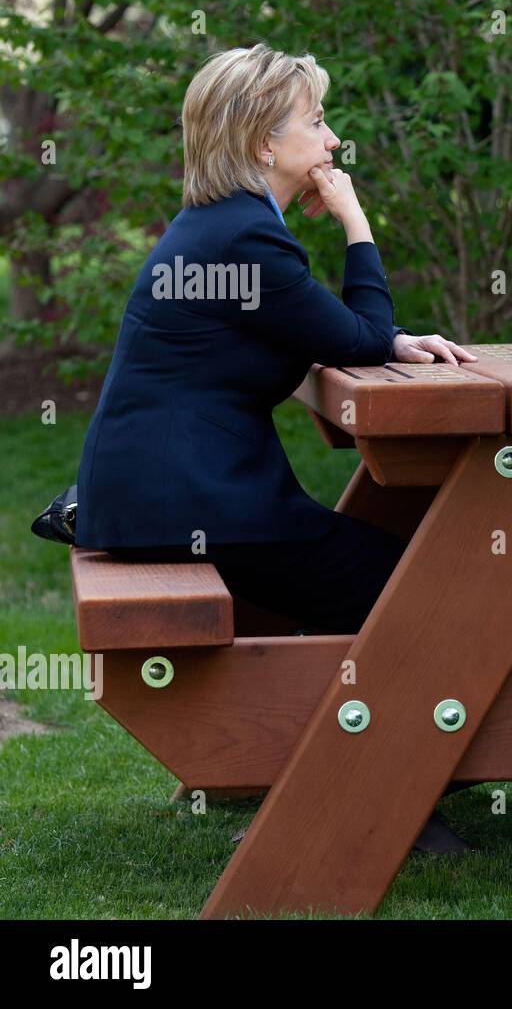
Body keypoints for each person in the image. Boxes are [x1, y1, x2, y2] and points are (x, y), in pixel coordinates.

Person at [72, 44, 476, 853]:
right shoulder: (247, 239)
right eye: (318, 123)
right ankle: (389, 792)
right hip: (195, 504)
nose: (331, 143)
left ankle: (371, 768)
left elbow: (337, 335)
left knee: (385, 576)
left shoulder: (225, 229)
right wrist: (358, 224)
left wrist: (387, 338)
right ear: (264, 142)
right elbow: (357, 341)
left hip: (167, 496)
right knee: (411, 587)